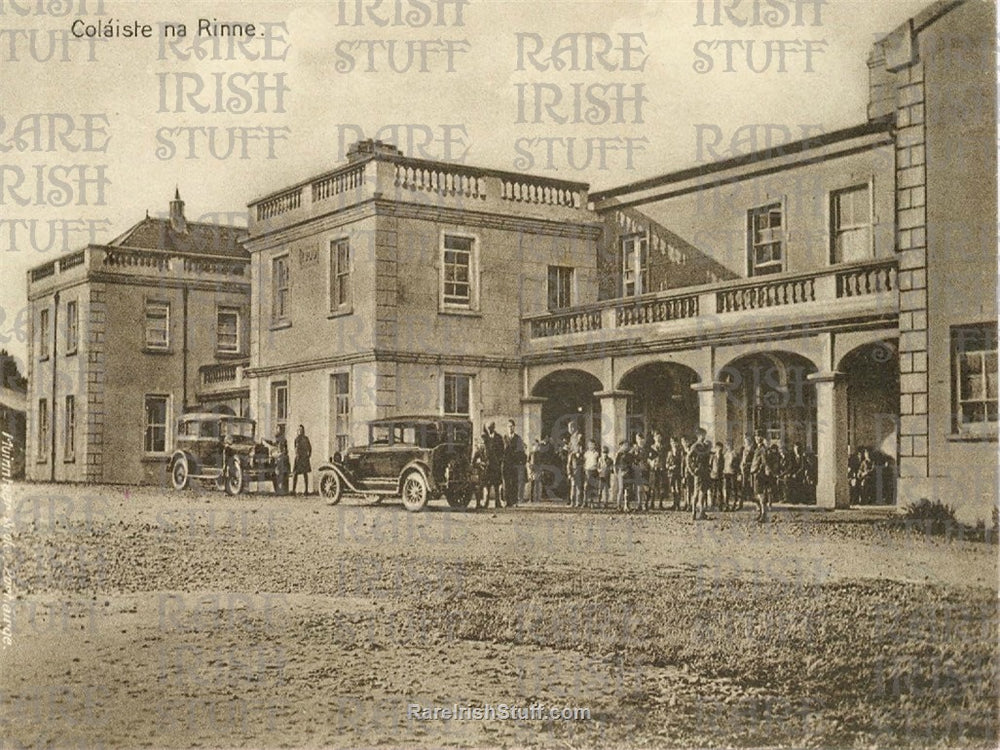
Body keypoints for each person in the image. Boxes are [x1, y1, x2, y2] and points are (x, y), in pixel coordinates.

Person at [687, 429, 712, 520]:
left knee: (703, 492)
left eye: (704, 435)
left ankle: (701, 512)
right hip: (698, 472)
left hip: (705, 472)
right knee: (697, 493)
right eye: (702, 435)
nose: (704, 437)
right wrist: (692, 470)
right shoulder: (695, 446)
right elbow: (688, 458)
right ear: (699, 436)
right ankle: (694, 512)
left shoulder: (705, 446)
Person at [502, 419, 526, 507]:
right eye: (509, 426)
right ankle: (506, 501)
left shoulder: (518, 438)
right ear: (506, 428)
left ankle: (514, 501)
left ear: (514, 427)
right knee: (506, 483)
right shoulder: (504, 438)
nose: (510, 428)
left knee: (514, 482)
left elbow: (521, 451)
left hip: (514, 463)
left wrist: (519, 462)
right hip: (506, 463)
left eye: (512, 426)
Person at [482, 421, 505, 509]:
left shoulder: (499, 438)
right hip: (487, 466)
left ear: (493, 428)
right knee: (487, 485)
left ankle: (497, 502)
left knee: (497, 485)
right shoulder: (485, 438)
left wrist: (499, 461)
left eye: (490, 428)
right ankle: (486, 503)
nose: (489, 430)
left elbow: (502, 451)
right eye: (488, 428)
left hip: (495, 465)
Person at [749, 433, 769, 521]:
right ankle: (761, 513)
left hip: (758, 474)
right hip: (755, 473)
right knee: (757, 494)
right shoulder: (757, 448)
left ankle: (764, 514)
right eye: (756, 437)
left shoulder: (762, 449)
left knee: (761, 494)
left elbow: (764, 462)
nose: (757, 438)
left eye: (759, 436)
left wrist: (759, 471)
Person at [291, 424, 312, 495]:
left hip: (304, 458)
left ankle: (306, 490)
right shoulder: (296, 439)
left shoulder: (306, 439)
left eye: (301, 430)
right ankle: (293, 490)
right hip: (298, 458)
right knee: (295, 474)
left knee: (305, 474)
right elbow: (295, 448)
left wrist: (308, 455)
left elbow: (309, 448)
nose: (300, 431)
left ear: (303, 431)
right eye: (299, 430)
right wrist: (297, 455)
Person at [269, 424, 290, 495]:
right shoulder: (276, 439)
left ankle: (283, 490)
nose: (278, 430)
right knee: (277, 475)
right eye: (277, 429)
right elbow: (273, 448)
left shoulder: (283, 439)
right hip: (278, 458)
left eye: (280, 429)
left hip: (281, 459)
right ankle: (278, 490)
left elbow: (285, 450)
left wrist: (282, 453)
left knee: (283, 475)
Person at [648, 431, 666, 510]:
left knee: (661, 486)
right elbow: (648, 458)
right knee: (653, 486)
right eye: (656, 437)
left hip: (661, 469)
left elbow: (665, 458)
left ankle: (660, 504)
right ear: (654, 438)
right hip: (653, 469)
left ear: (661, 438)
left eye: (659, 437)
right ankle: (651, 503)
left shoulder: (663, 448)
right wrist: (651, 463)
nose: (658, 439)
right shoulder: (651, 447)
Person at [614, 439, 633, 512]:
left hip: (628, 472)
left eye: (627, 445)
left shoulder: (630, 454)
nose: (626, 447)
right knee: (621, 489)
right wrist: (617, 473)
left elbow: (631, 463)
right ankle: (619, 505)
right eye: (625, 445)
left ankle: (626, 505)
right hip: (621, 472)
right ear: (621, 446)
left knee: (627, 489)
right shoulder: (619, 454)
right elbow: (615, 464)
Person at [665, 437, 683, 510]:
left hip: (678, 473)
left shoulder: (680, 452)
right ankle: (674, 504)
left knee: (678, 488)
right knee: (672, 489)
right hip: (671, 473)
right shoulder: (669, 453)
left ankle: (678, 504)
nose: (674, 444)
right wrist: (670, 467)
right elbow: (666, 464)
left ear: (677, 443)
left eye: (675, 442)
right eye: (672, 442)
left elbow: (682, 462)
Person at [722, 441, 740, 511]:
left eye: (729, 445)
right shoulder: (726, 453)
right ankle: (727, 505)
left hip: (732, 473)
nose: (728, 447)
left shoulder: (734, 453)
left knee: (734, 488)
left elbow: (736, 463)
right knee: (727, 489)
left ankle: (734, 504)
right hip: (726, 472)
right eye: (727, 445)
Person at [567, 442, 586, 508]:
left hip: (580, 474)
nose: (579, 448)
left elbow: (584, 464)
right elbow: (569, 465)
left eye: (580, 447)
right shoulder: (572, 455)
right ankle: (572, 502)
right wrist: (569, 473)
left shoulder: (582, 456)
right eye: (577, 447)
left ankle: (578, 502)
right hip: (574, 473)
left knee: (579, 488)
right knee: (573, 488)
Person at [583, 439, 600, 508]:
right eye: (590, 445)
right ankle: (585, 501)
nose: (591, 446)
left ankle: (592, 502)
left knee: (593, 487)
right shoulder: (586, 453)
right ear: (588, 445)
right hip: (588, 471)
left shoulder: (597, 453)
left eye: (593, 445)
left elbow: (599, 463)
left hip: (594, 471)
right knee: (586, 487)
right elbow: (584, 462)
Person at [709, 442, 725, 511]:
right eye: (717, 448)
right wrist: (711, 472)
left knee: (720, 491)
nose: (719, 449)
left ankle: (720, 505)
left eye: (720, 448)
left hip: (720, 476)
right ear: (715, 448)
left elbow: (724, 466)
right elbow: (710, 465)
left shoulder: (723, 457)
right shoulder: (713, 457)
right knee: (713, 491)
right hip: (713, 476)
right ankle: (712, 504)